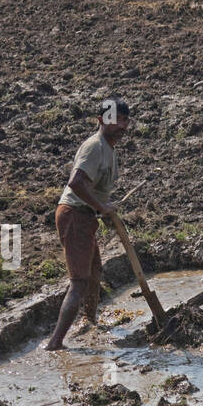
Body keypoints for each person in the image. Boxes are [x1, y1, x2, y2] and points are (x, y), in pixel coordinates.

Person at [44, 98, 131, 351]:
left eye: (125, 120)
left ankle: (89, 322)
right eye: (116, 120)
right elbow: (76, 182)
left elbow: (93, 189)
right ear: (102, 120)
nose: (122, 126)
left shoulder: (109, 150)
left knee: (95, 275)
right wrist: (101, 207)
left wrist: (103, 207)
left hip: (85, 217)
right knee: (79, 281)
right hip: (75, 215)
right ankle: (55, 343)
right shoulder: (94, 146)